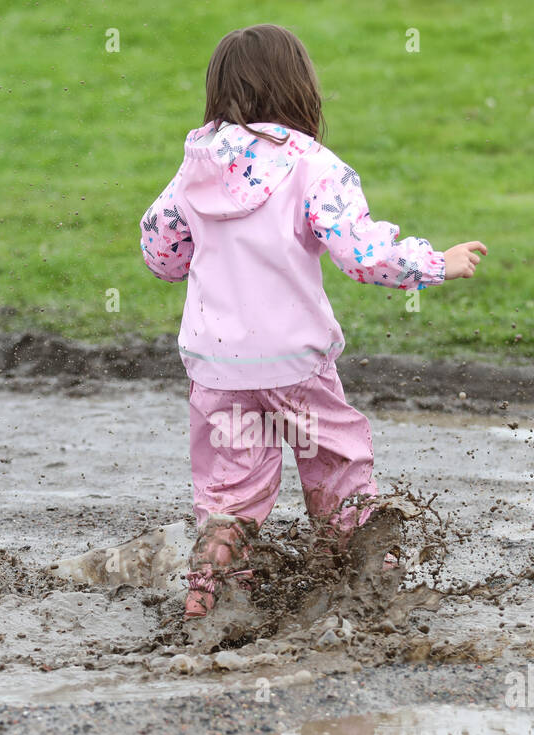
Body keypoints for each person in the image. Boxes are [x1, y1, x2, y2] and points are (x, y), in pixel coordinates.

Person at [140, 23, 486, 620]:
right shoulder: (312, 165)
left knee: (229, 498)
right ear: (300, 88)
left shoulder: (193, 168)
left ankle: (212, 601)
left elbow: (160, 253)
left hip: (218, 368)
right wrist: (436, 263)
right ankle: (352, 579)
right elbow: (361, 254)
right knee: (338, 464)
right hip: (295, 362)